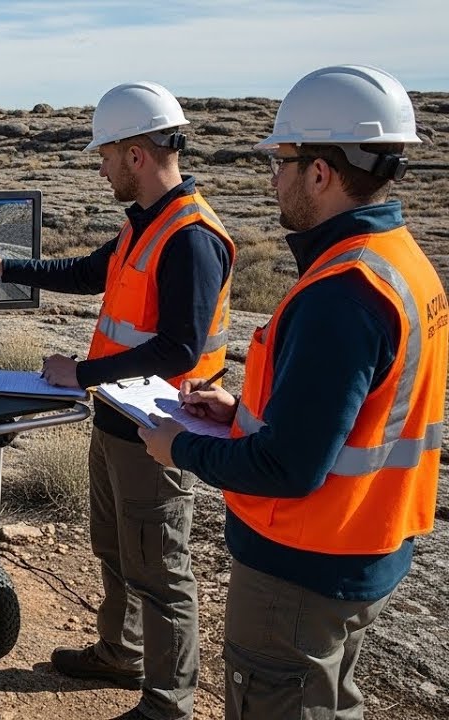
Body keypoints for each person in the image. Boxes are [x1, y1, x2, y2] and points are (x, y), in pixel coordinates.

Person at [139, 65, 447, 719]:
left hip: (302, 572)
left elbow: (290, 467)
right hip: (365, 551)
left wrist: (180, 450)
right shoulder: (401, 262)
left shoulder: (344, 292)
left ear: (320, 172)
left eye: (280, 161)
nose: (273, 179)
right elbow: (361, 415)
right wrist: (245, 412)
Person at [0, 81, 235, 720]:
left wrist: (80, 371)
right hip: (118, 419)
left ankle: (169, 704)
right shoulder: (146, 224)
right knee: (116, 550)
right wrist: (4, 267)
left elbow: (177, 348)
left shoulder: (190, 237)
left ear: (136, 154)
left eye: (105, 154)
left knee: (162, 572)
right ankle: (120, 653)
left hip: (159, 429)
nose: (100, 165)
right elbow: (88, 273)